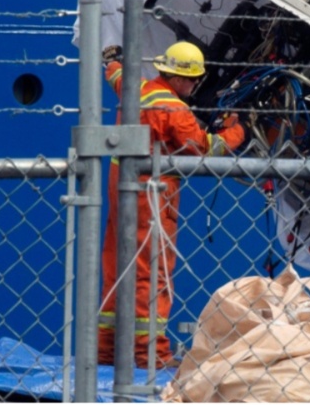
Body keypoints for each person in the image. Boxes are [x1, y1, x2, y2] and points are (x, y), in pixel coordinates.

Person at [97, 41, 246, 369]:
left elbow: (116, 74)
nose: (195, 86)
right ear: (178, 78)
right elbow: (206, 150)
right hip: (152, 194)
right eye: (192, 80)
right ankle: (152, 354)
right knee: (153, 274)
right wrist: (236, 130)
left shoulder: (137, 87)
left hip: (120, 186)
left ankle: (105, 352)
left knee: (116, 270)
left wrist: (111, 61)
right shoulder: (174, 110)